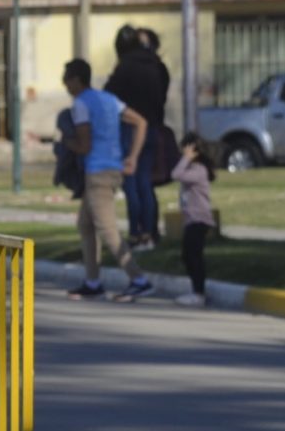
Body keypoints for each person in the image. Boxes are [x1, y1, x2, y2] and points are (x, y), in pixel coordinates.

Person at [62, 58, 154, 302]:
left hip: (98, 173)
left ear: (77, 79)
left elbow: (85, 145)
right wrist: (132, 157)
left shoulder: (81, 104)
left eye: (67, 78)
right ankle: (93, 282)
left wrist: (65, 143)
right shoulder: (108, 99)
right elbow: (141, 122)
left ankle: (139, 280)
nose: (64, 84)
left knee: (107, 229)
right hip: (113, 168)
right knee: (86, 224)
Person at [105, 24, 169, 250]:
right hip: (151, 127)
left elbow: (109, 97)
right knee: (145, 182)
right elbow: (162, 98)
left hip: (131, 129)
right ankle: (149, 232)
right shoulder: (156, 67)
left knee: (131, 183)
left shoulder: (126, 68)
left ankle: (137, 233)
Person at [171, 132, 216, 307]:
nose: (182, 153)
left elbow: (175, 174)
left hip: (199, 219)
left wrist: (186, 158)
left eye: (185, 150)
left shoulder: (198, 170)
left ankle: (199, 293)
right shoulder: (194, 169)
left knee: (193, 256)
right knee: (188, 256)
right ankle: (196, 290)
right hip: (192, 220)